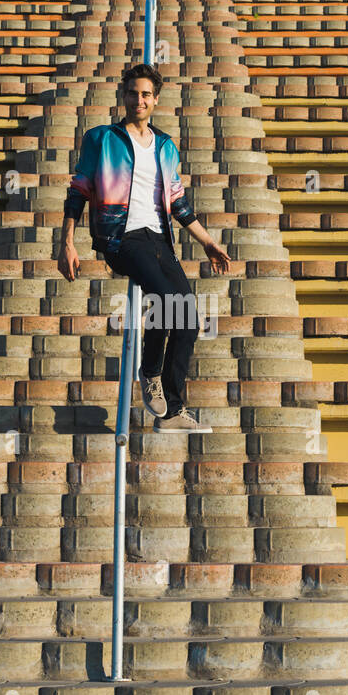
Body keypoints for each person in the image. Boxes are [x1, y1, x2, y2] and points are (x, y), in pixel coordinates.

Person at [58, 63, 231, 433]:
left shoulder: (166, 146)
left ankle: (172, 412)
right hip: (121, 237)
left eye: (146, 94)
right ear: (124, 96)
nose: (139, 100)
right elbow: (78, 192)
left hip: (158, 238)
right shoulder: (101, 139)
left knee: (188, 319)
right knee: (169, 300)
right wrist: (67, 242)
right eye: (133, 93)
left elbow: (178, 203)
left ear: (156, 100)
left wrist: (208, 243)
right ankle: (150, 371)